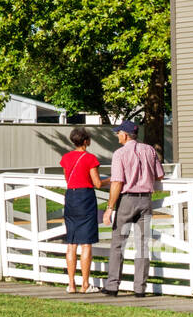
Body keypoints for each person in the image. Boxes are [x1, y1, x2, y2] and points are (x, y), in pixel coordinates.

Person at [100, 120, 164, 297]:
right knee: (142, 246)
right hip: (146, 200)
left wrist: (109, 207)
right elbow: (160, 175)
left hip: (127, 200)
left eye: (119, 133)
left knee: (118, 244)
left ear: (125, 135)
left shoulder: (119, 154)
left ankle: (112, 286)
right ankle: (140, 288)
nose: (117, 136)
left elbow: (117, 182)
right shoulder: (149, 150)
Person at [59, 127, 104, 293]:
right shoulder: (90, 158)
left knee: (71, 243)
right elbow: (97, 183)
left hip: (70, 196)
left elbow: (68, 179)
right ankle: (85, 284)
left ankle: (71, 284)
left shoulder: (66, 158)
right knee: (86, 243)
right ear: (86, 141)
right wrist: (112, 180)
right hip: (85, 198)